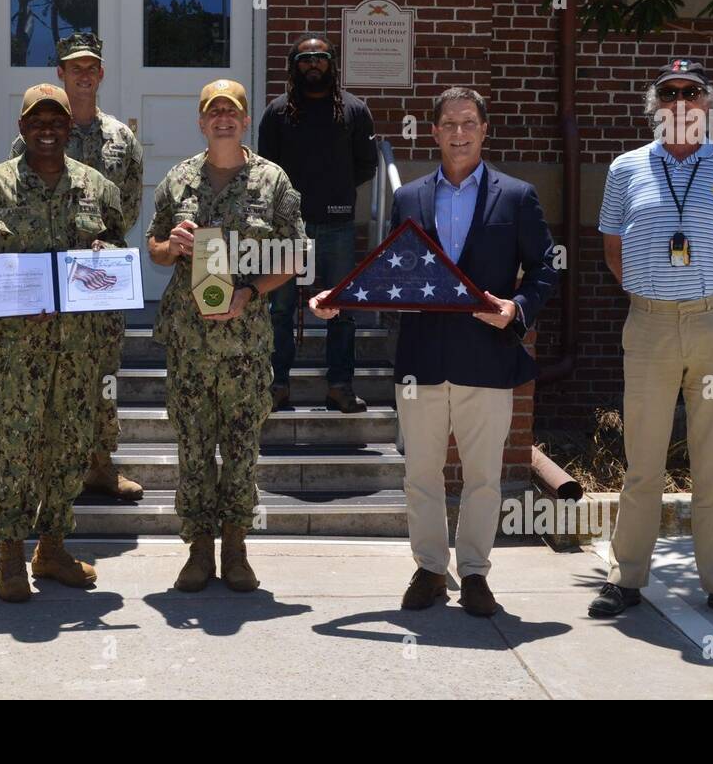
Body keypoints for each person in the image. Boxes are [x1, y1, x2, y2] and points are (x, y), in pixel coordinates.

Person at [311, 87, 558, 617]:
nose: (459, 133)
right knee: (420, 472)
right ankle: (428, 569)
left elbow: (545, 269)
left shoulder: (516, 197)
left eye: (469, 122)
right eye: (449, 124)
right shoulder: (409, 199)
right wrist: (338, 300)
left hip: (486, 359)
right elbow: (389, 272)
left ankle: (473, 573)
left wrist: (516, 308)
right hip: (421, 358)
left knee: (483, 475)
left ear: (484, 129)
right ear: (435, 132)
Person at [589, 59, 713, 626]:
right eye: (670, 94)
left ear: (708, 106)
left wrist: (707, 298)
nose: (681, 102)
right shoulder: (625, 168)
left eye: (692, 92)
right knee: (642, 463)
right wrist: (656, 296)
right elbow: (614, 250)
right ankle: (626, 579)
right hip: (649, 327)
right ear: (655, 106)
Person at [0, 83, 125, 603]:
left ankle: (51, 548)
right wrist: (7, 290)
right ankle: (9, 554)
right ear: (23, 127)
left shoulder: (97, 187)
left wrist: (104, 253)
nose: (48, 129)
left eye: (57, 121)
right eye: (37, 121)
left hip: (78, 351)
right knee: (17, 453)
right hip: (16, 354)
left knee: (70, 451)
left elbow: (118, 248)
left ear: (69, 128)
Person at [146, 79, 306, 592]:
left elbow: (295, 255)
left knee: (240, 448)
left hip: (245, 340)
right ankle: (198, 551)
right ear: (200, 120)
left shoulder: (272, 180)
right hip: (190, 342)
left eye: (231, 111)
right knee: (193, 448)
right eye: (213, 111)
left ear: (243, 119)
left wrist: (251, 292)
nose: (222, 119)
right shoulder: (178, 179)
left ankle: (236, 549)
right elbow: (152, 245)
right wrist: (168, 246)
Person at [9, 32, 144, 501]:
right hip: (45, 281)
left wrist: (96, 243)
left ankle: (101, 465)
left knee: (102, 375)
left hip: (98, 280)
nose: (83, 75)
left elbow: (127, 210)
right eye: (74, 68)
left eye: (91, 67)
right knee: (48, 376)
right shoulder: (30, 137)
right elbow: (17, 202)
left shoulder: (121, 140)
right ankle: (51, 469)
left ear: (101, 74)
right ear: (60, 75)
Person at [258, 35, 377, 413]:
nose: (313, 65)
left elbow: (366, 165)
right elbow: (265, 169)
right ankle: (277, 384)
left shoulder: (355, 110)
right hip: (286, 229)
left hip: (337, 224)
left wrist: (335, 192)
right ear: (294, 65)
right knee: (279, 308)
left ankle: (339, 385)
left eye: (320, 58)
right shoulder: (276, 113)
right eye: (305, 58)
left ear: (332, 63)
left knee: (341, 308)